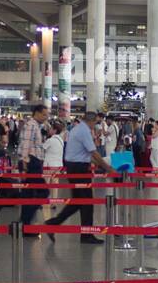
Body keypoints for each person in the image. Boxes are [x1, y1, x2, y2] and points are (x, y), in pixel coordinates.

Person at [44, 110, 114, 244]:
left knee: (78, 201)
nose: (96, 125)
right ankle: (86, 234)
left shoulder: (77, 129)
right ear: (92, 121)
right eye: (96, 122)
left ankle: (54, 223)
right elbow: (93, 153)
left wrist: (99, 165)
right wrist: (108, 168)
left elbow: (85, 154)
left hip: (74, 167)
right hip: (79, 169)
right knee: (87, 202)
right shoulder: (84, 131)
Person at [16, 104, 50, 234]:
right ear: (37, 113)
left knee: (28, 195)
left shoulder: (36, 125)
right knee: (42, 193)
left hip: (33, 161)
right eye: (44, 114)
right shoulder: (31, 125)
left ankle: (25, 224)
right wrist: (24, 162)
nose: (46, 117)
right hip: (30, 162)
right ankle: (25, 222)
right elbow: (26, 143)